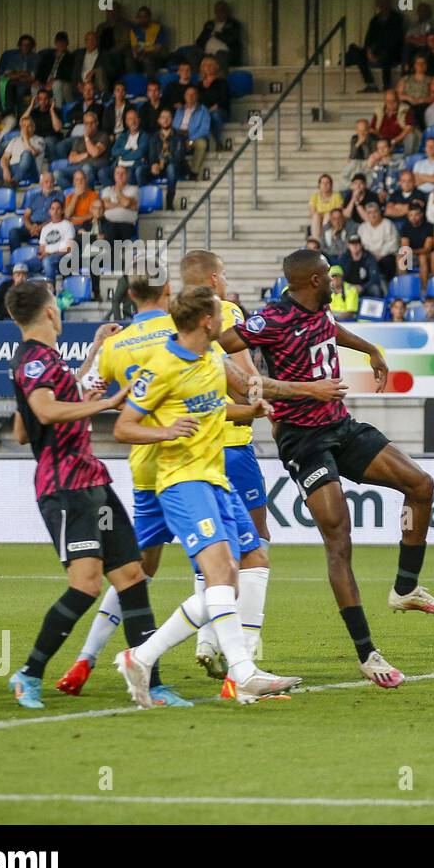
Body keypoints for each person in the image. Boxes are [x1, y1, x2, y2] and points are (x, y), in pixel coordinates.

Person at [221, 250, 434, 683]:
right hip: (302, 440)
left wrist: (370, 349)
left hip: (340, 426)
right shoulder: (271, 319)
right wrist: (299, 389)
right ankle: (367, 654)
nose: (335, 280)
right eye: (329, 275)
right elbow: (223, 348)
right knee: (339, 540)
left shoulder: (321, 309)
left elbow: (329, 329)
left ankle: (405, 589)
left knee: (421, 484)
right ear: (313, 279)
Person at [112, 285, 303, 706]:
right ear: (206, 320)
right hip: (182, 482)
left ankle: (140, 658)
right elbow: (124, 427)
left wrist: (253, 409)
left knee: (242, 568)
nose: (226, 320)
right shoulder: (160, 366)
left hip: (216, 479)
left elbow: (225, 405)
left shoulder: (212, 359)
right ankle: (243, 672)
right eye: (220, 314)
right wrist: (164, 431)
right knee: (219, 572)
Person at [4, 279, 183, 710]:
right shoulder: (32, 360)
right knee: (85, 585)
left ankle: (151, 684)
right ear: (49, 313)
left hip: (92, 483)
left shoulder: (44, 361)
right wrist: (103, 404)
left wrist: (88, 363)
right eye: (58, 308)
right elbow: (44, 412)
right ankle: (28, 674)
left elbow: (22, 427)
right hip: (65, 489)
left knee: (132, 578)